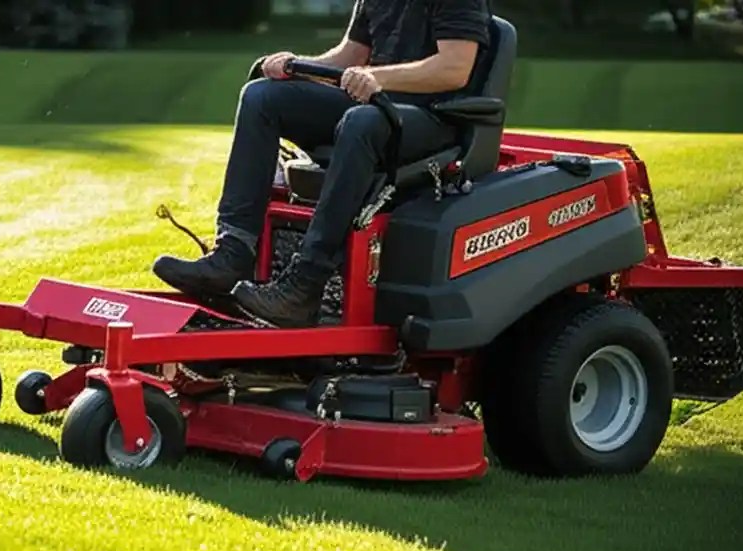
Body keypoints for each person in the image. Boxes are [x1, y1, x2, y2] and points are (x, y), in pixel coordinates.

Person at [152, 0, 492, 328]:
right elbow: (349, 57)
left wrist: (378, 77)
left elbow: (454, 68)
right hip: (376, 105)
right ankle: (233, 253)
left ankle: (304, 286)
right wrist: (296, 65)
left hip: (432, 118)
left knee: (361, 122)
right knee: (262, 96)